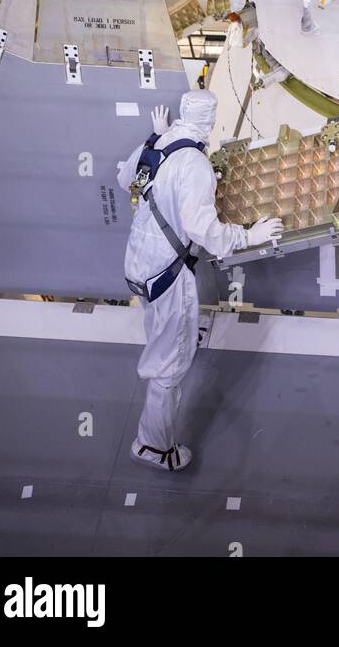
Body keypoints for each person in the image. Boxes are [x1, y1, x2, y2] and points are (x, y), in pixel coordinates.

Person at [116, 89, 283, 471]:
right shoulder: (194, 163)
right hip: (167, 274)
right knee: (168, 367)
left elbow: (129, 181)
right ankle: (153, 446)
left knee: (162, 327)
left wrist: (154, 137)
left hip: (141, 264)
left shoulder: (159, 144)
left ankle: (175, 337)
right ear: (209, 122)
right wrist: (247, 236)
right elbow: (201, 228)